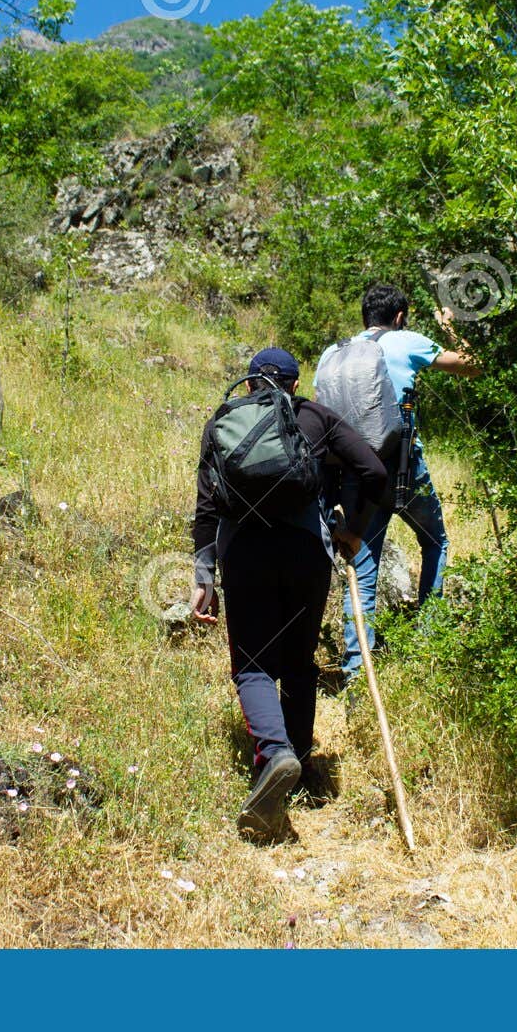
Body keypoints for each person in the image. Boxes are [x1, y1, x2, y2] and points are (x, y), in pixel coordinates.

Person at [190, 347, 387, 843]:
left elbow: (208, 508)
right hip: (305, 555)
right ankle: (300, 764)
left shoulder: (223, 423)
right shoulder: (316, 417)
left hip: (244, 556)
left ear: (251, 385)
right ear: (294, 386)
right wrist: (354, 529)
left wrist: (204, 575)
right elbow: (375, 472)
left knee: (253, 663)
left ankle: (274, 753)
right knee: (298, 662)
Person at [324, 284, 480, 681]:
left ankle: (357, 670)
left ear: (364, 317)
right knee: (435, 541)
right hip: (404, 468)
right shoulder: (405, 340)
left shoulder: (334, 353)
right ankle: (429, 644)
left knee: (364, 565)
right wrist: (449, 327)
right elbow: (473, 364)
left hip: (355, 475)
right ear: (398, 317)